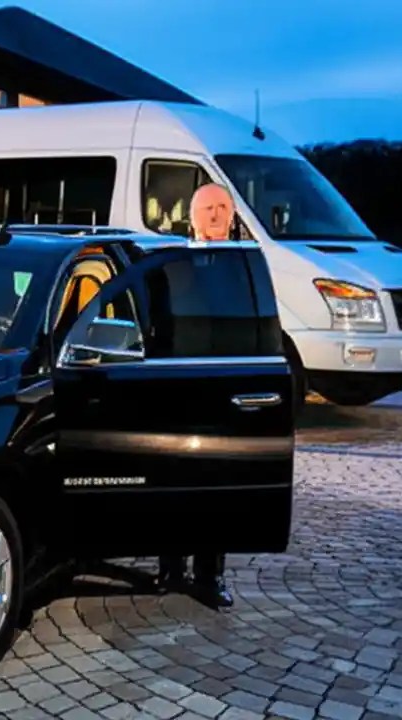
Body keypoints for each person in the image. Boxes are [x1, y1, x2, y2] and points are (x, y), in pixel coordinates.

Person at [153, 182, 237, 609]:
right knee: (175, 480)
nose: (216, 215)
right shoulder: (174, 263)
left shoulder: (244, 266)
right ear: (192, 216)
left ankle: (210, 575)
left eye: (224, 207)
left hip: (221, 391)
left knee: (215, 488)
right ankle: (170, 569)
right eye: (208, 208)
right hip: (177, 385)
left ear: (235, 215)